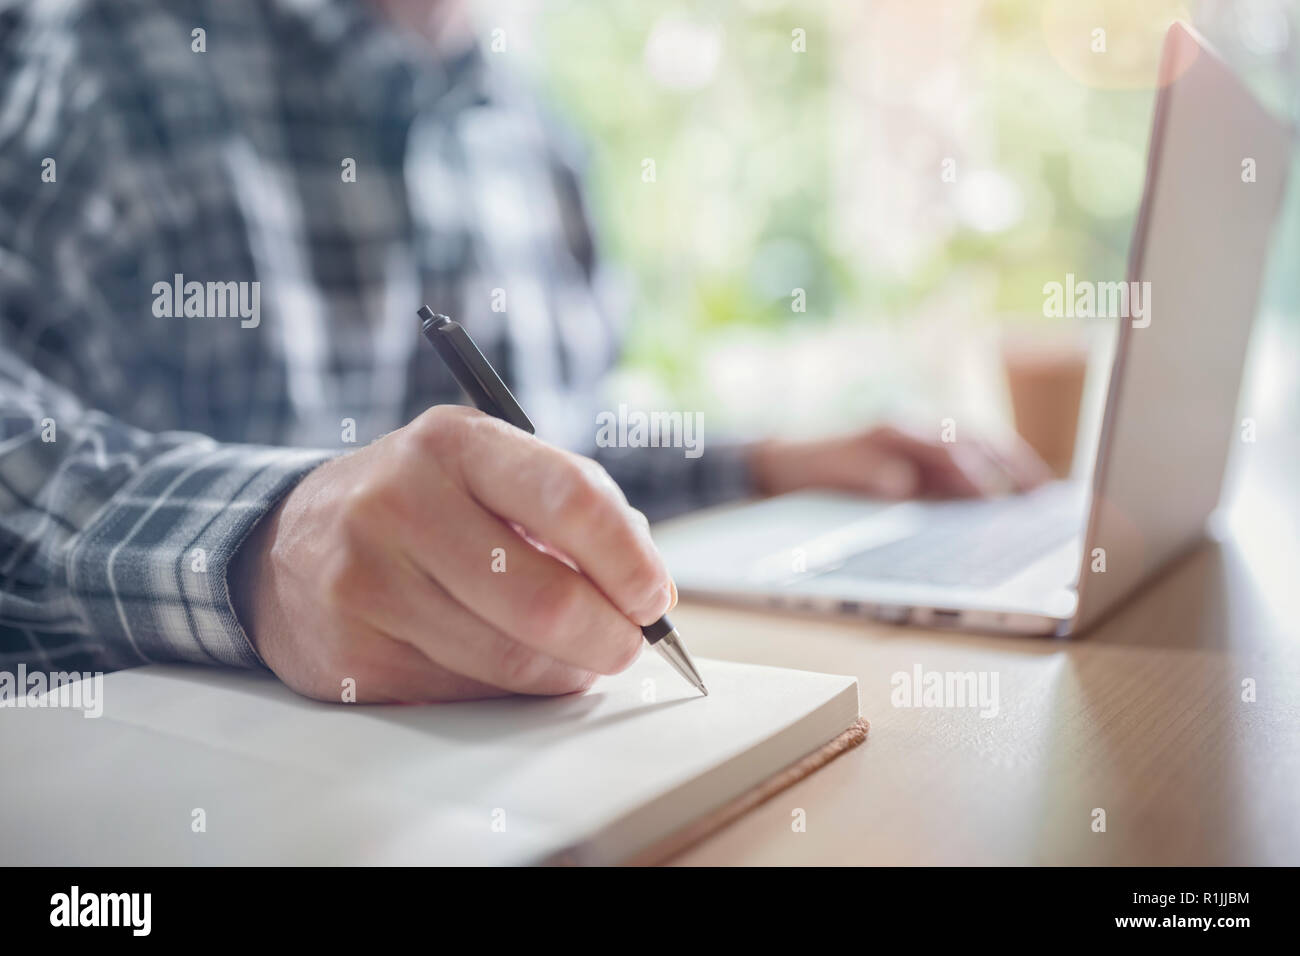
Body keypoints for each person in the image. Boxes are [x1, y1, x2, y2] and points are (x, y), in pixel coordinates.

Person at [0, 0, 1048, 703]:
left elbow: (539, 450)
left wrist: (763, 463)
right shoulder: (71, 56)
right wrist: (261, 548)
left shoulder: (532, 132)